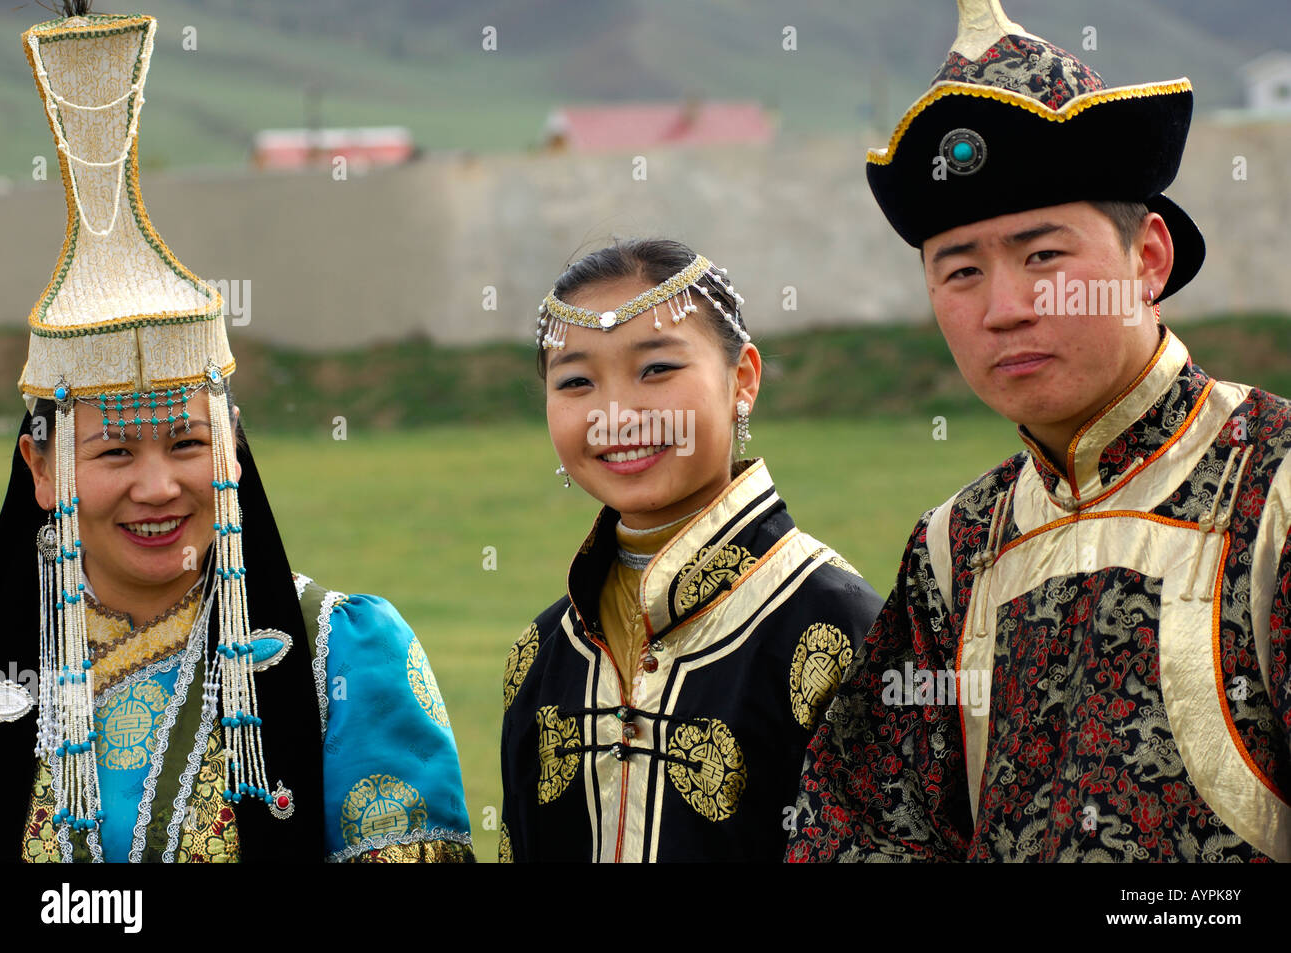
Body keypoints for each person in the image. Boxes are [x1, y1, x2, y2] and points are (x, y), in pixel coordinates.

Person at [788, 0, 1291, 863]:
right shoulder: (955, 548)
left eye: (1044, 255)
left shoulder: (1272, 486)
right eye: (961, 271)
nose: (1005, 309)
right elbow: (860, 829)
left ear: (1149, 258)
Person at [0, 7, 472, 863]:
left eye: (186, 443)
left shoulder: (346, 661)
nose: (157, 486)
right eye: (114, 451)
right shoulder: (2, 662)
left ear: (233, 446)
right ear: (41, 466)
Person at [499, 237, 885, 862]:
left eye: (656, 369)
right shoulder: (542, 655)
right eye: (576, 382)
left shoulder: (834, 626)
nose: (616, 416)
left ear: (743, 379)